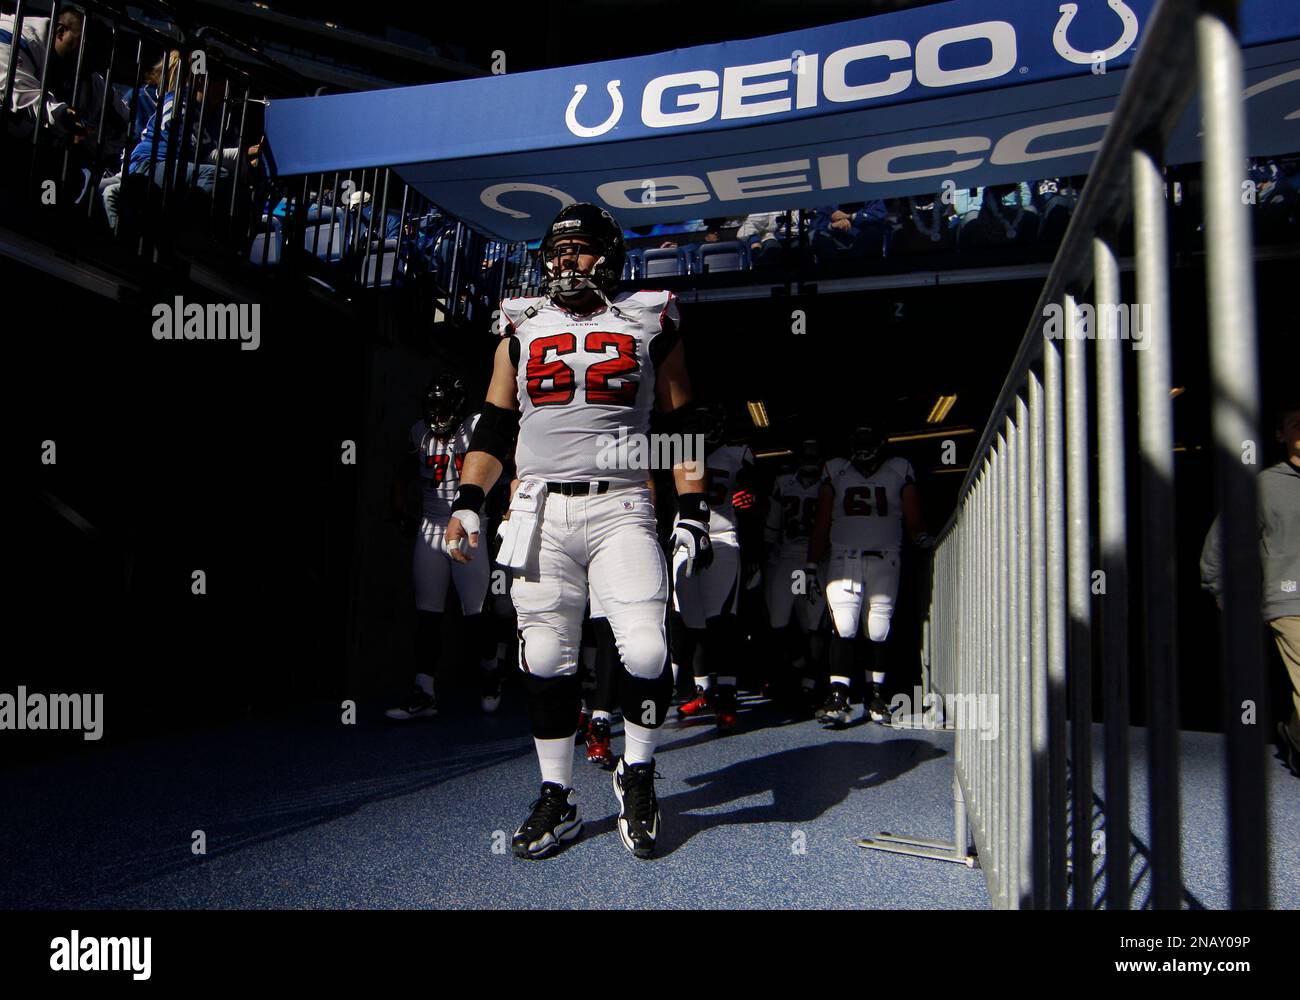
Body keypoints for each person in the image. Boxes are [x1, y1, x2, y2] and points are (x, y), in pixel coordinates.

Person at [443, 202, 709, 860]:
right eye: (557, 251)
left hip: (621, 503)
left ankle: (639, 771)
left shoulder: (650, 318)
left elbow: (682, 425)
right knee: (543, 657)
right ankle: (556, 794)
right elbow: (495, 425)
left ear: (608, 254)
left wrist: (694, 511)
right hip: (537, 507)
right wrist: (470, 500)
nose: (565, 260)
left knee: (647, 651)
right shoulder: (521, 326)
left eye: (580, 248)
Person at [387, 375, 504, 719]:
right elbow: (403, 473)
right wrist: (399, 509)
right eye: (433, 408)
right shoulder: (419, 433)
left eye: (443, 407)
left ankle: (490, 670)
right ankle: (424, 691)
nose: (437, 415)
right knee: (427, 613)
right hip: (431, 525)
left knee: (474, 613)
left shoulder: (476, 427)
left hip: (470, 526)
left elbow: (501, 456)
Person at [807, 425, 933, 726]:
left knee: (878, 627)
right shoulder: (836, 470)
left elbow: (913, 517)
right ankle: (839, 693)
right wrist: (810, 565)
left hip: (884, 558)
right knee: (844, 625)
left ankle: (877, 694)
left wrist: (923, 538)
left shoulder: (899, 469)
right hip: (843, 557)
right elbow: (822, 521)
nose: (862, 447)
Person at [1200, 400, 1300, 776]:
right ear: (1281, 435)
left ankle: (1294, 734)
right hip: (1290, 599)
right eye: (1294, 424)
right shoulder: (1265, 486)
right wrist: (1219, 584)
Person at [673, 403, 758, 731]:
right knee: (688, 621)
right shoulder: (678, 449)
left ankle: (726, 694)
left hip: (722, 539)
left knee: (722, 621)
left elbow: (754, 489)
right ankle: (702, 690)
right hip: (685, 537)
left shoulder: (738, 455)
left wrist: (751, 495)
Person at [764, 438, 828, 709]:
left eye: (814, 455)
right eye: (806, 454)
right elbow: (772, 524)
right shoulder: (784, 482)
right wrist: (763, 558)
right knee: (778, 620)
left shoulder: (830, 483)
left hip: (812, 561)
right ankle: (793, 667)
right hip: (787, 559)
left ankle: (810, 681)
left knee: (812, 621)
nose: (810, 460)